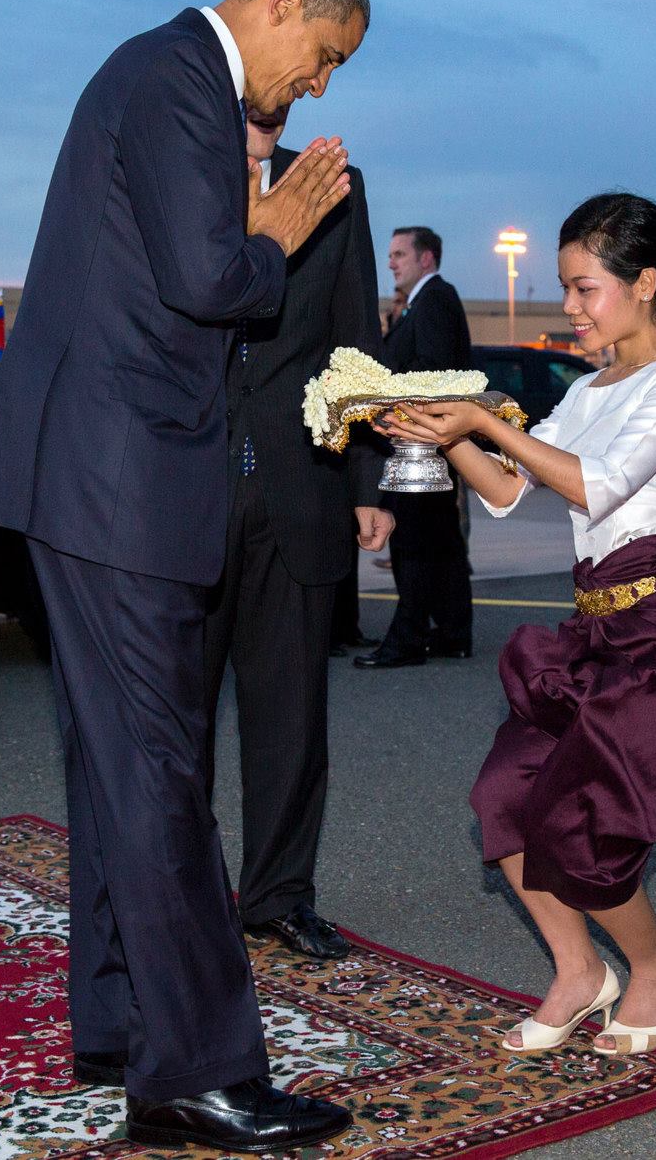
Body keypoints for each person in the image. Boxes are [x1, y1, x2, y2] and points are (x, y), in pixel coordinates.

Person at [0, 0, 364, 1154]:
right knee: (159, 775)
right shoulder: (182, 73)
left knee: (111, 766)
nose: (318, 86)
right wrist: (275, 229)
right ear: (283, 3)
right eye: (323, 56)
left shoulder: (156, 70)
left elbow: (165, 275)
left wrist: (246, 230)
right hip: (116, 477)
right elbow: (206, 276)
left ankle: (120, 1024)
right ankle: (197, 1071)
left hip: (92, 476)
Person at [381, 193, 656, 1059]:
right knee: (503, 800)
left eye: (586, 289)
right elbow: (510, 493)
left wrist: (478, 417)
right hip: (594, 628)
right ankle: (581, 971)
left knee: (584, 826)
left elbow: (600, 485)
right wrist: (442, 436)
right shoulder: (588, 387)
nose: (572, 309)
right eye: (566, 290)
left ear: (645, 282)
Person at [205, 102, 392, 963]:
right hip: (183, 494)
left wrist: (367, 479)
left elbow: (355, 341)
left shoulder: (335, 194)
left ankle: (279, 896)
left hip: (300, 489)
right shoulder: (180, 182)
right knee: (173, 724)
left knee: (291, 719)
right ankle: (186, 898)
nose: (269, 116)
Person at [355, 226, 474, 669]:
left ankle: (407, 639)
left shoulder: (435, 299)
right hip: (428, 447)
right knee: (441, 544)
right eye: (390, 255)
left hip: (420, 450)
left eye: (399, 254)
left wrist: (384, 395)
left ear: (426, 258)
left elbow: (432, 369)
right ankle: (451, 631)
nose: (391, 262)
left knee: (414, 546)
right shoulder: (420, 305)